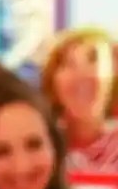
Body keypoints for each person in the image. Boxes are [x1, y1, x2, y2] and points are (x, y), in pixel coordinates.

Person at [40, 28, 118, 170]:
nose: (81, 73)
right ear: (52, 81)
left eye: (93, 59)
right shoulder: (36, 145)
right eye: (68, 63)